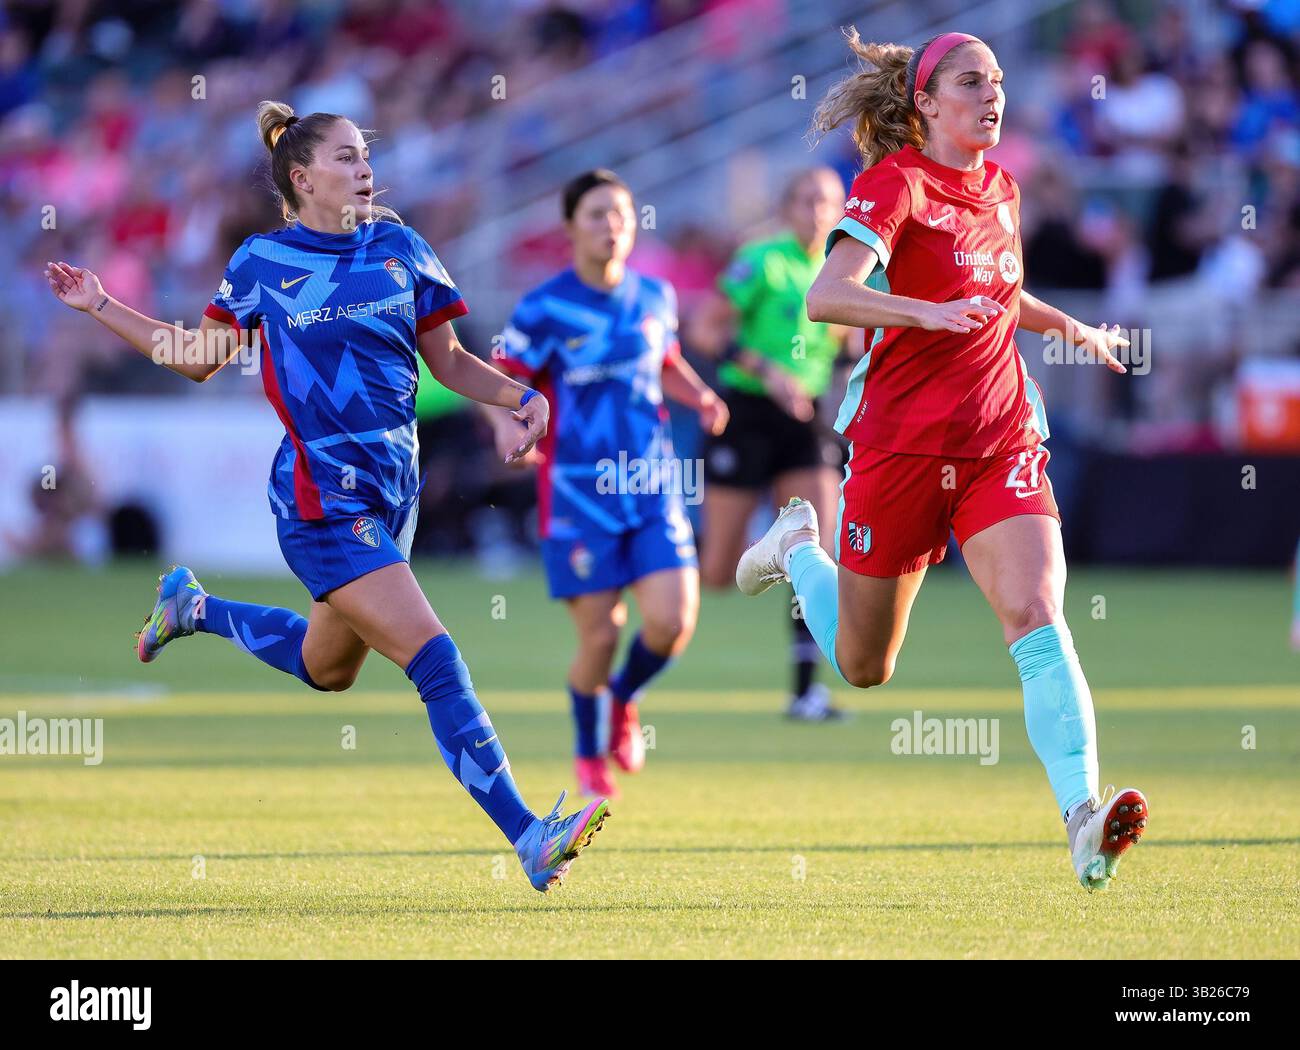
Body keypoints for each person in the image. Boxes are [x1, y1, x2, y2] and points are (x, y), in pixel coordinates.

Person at [42, 101, 608, 893]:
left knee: (327, 667)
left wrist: (518, 396)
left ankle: (192, 610)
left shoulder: (403, 247)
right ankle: (528, 836)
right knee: (435, 658)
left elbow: (447, 360)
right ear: (302, 179)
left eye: (366, 154)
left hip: (392, 494)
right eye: (345, 158)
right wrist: (102, 303)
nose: (365, 167)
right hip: (319, 501)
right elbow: (197, 356)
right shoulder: (263, 262)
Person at [734, 31, 1149, 890]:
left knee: (1036, 611)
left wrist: (1071, 328)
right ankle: (800, 549)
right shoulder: (896, 184)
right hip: (901, 448)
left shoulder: (1003, 187)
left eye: (997, 81)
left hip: (998, 438)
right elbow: (827, 296)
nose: (991, 96)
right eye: (971, 82)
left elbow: (998, 292)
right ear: (925, 103)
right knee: (864, 666)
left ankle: (1081, 817)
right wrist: (923, 313)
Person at [489, 169, 728, 798]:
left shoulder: (655, 295)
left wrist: (700, 398)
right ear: (570, 228)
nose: (611, 226)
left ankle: (624, 696)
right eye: (596, 215)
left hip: (650, 485)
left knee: (673, 622)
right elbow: (500, 378)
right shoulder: (543, 307)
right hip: (576, 493)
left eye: (620, 214)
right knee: (601, 633)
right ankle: (587, 752)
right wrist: (500, 428)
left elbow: (665, 362)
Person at [698, 166, 856, 721]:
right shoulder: (763, 259)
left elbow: (842, 346)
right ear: (788, 208)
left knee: (815, 547)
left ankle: (805, 691)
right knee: (717, 572)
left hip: (807, 418)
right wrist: (768, 372)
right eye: (808, 199)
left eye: (829, 201)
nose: (818, 210)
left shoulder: (844, 271)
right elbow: (705, 328)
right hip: (747, 412)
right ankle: (655, 610)